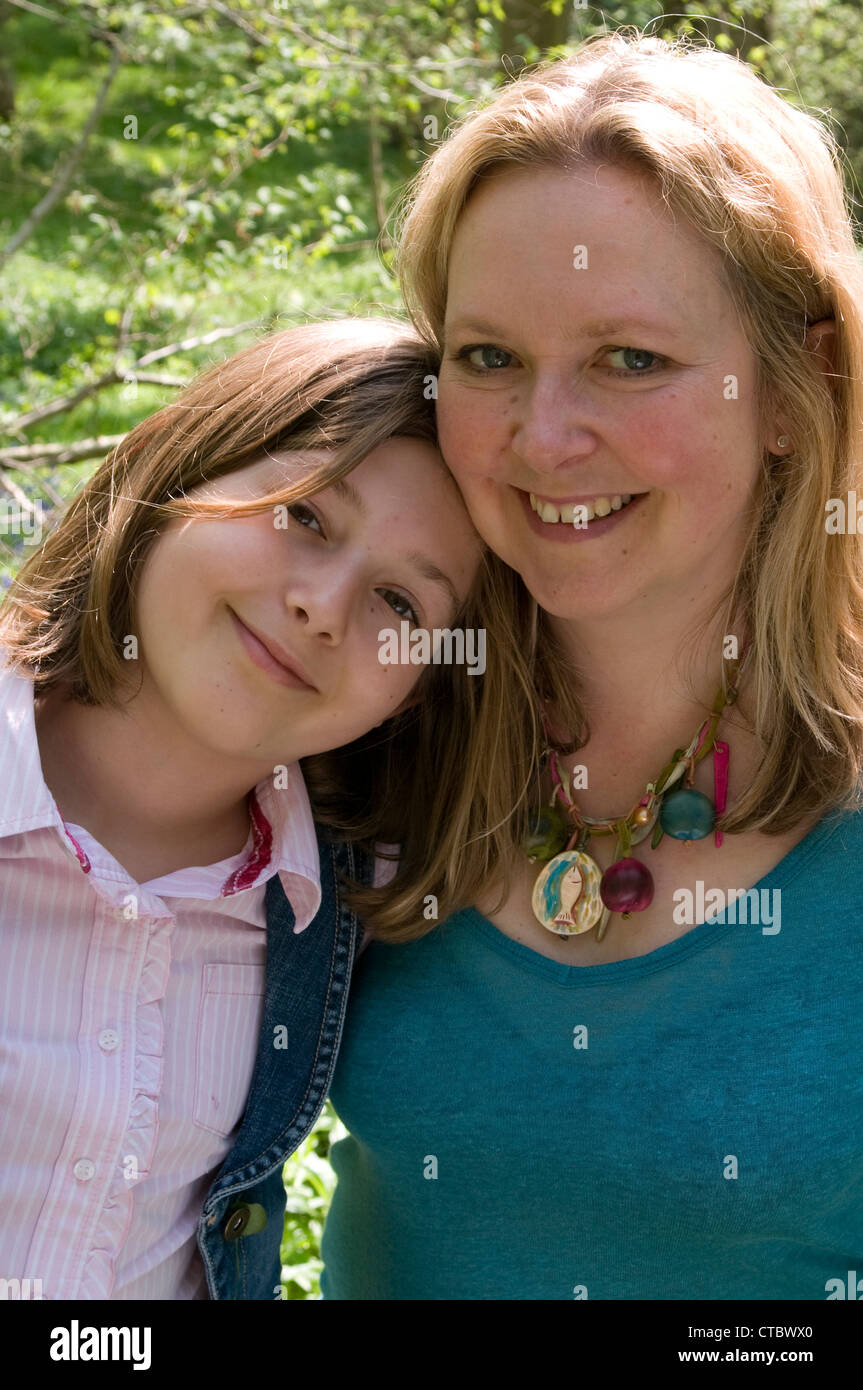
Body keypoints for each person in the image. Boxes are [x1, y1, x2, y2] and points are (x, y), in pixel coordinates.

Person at [318, 33, 863, 1300]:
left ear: (796, 391)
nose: (542, 438)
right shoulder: (355, 715)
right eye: (488, 358)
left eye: (629, 359)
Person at [0, 317, 492, 1299]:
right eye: (305, 515)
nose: (322, 604)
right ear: (190, 463)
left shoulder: (351, 902)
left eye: (400, 604)